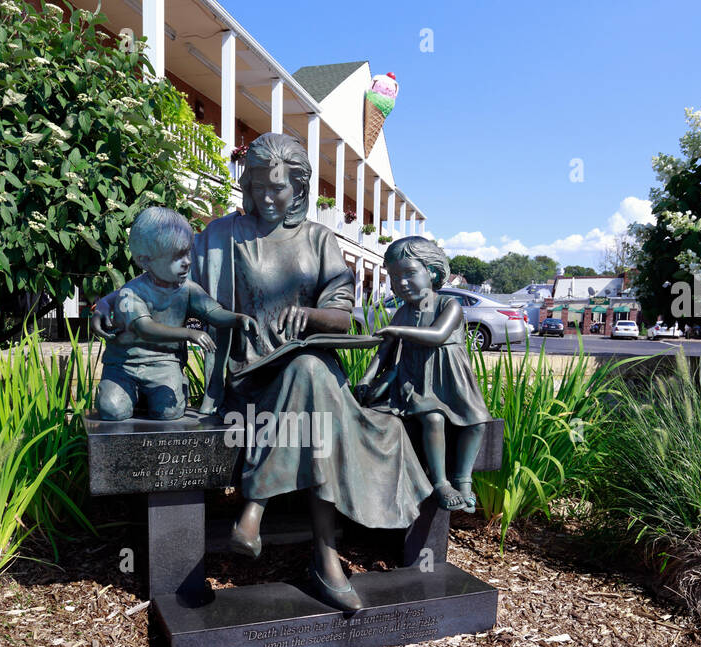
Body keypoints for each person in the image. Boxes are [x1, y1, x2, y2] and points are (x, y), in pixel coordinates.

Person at [192, 133, 432, 612]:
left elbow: (347, 315)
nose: (266, 196)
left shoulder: (320, 240)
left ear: (299, 189)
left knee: (308, 370)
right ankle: (324, 559)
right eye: (257, 184)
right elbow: (188, 298)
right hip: (252, 379)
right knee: (312, 381)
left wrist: (313, 317)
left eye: (277, 187)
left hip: (312, 374)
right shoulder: (226, 237)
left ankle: (256, 507)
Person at [359, 237, 492, 513]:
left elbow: (438, 335)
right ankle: (441, 483)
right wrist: (366, 378)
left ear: (431, 272)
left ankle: (463, 479)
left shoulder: (448, 305)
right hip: (418, 382)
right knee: (432, 418)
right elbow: (384, 352)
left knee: (478, 422)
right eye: (395, 277)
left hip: (451, 378)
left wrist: (399, 332)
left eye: (409, 274)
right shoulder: (402, 313)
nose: (401, 283)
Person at [96, 207, 257, 421]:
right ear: (145, 260)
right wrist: (189, 334)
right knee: (112, 410)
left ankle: (164, 389)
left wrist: (238, 319)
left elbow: (214, 312)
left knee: (169, 413)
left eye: (188, 253)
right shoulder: (130, 293)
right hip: (123, 366)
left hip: (164, 364)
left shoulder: (188, 289)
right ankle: (131, 393)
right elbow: (145, 328)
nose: (187, 262)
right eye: (177, 257)